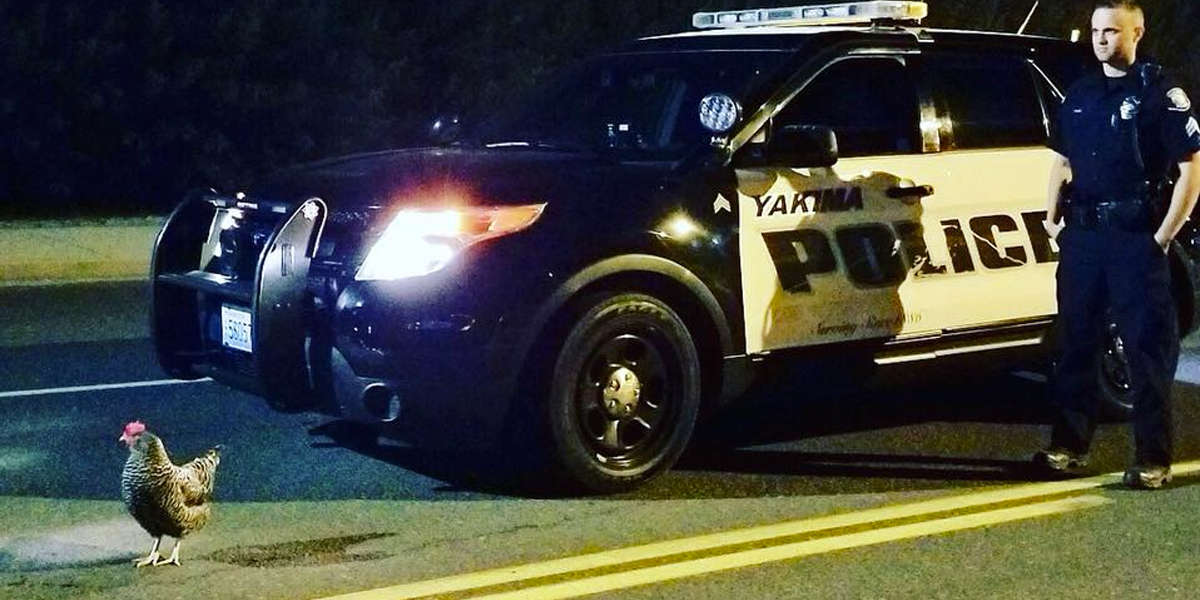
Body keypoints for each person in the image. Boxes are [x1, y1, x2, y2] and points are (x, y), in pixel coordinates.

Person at [1036, 0, 1200, 488]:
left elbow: (1190, 171)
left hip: (1134, 238)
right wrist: (1051, 219)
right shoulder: (1081, 93)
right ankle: (1068, 446)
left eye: (1111, 31)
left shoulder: (1159, 94)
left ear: (1137, 32)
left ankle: (1152, 459)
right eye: (1095, 31)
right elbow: (1063, 162)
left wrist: (1162, 237)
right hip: (1084, 238)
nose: (1101, 39)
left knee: (1145, 352)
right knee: (1075, 344)